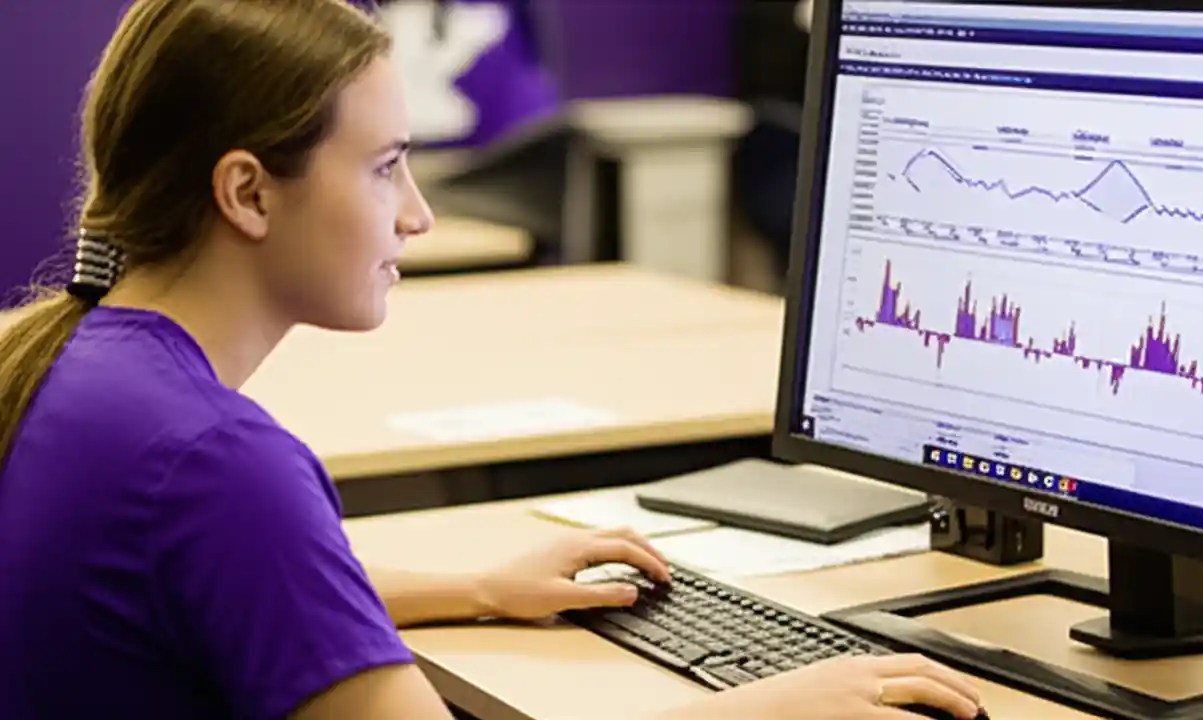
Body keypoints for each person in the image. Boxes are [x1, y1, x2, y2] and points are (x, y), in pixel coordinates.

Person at [0, 1, 985, 718]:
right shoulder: (217, 463)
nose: (418, 213)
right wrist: (764, 710)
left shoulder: (65, 367)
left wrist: (473, 587)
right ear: (249, 194)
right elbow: (238, 541)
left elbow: (244, 581)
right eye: (385, 165)